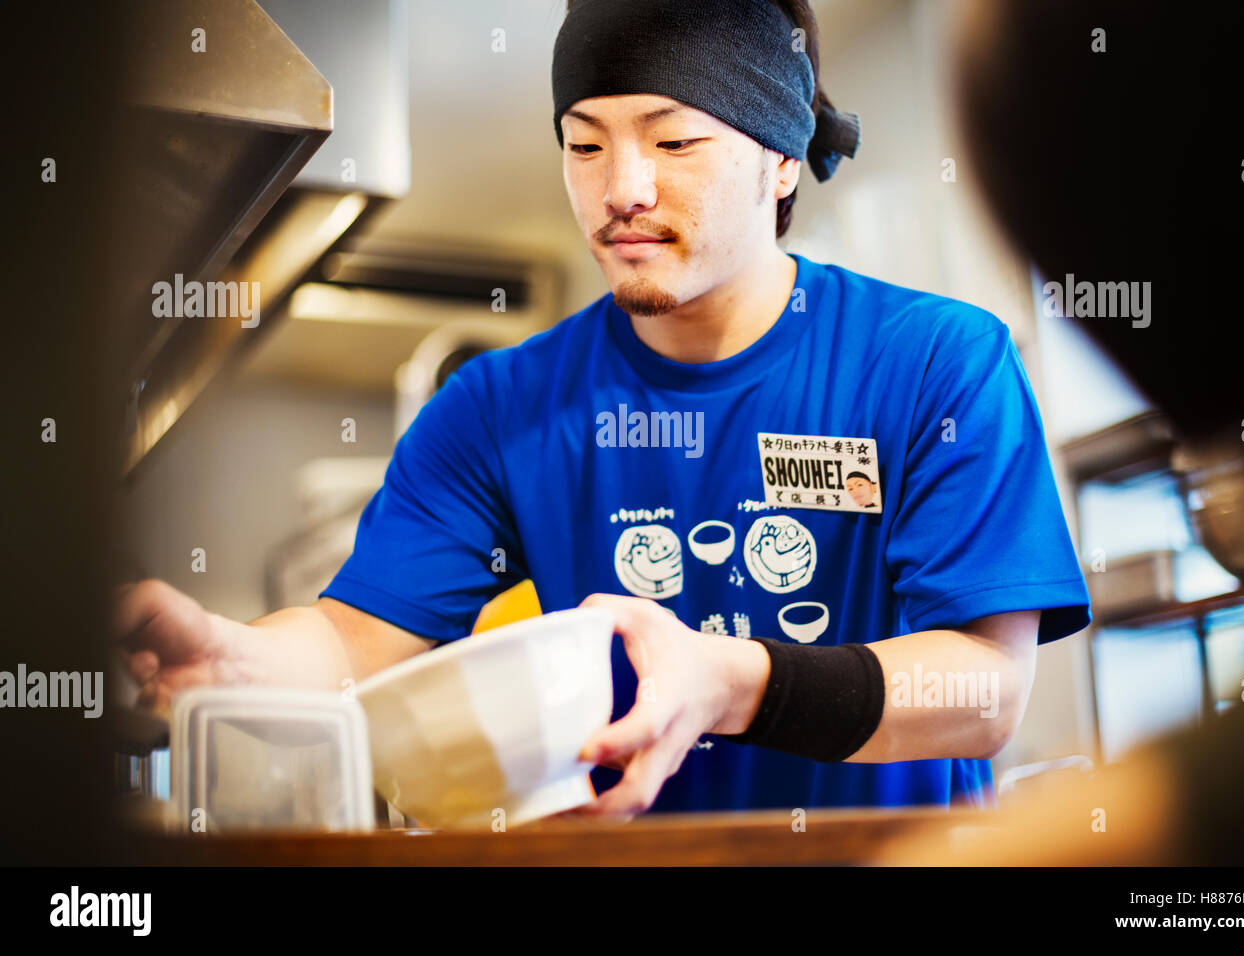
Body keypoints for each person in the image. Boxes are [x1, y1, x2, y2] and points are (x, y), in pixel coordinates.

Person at [114, 0, 1090, 821]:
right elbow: (349, 643)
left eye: (673, 139)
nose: (621, 189)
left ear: (781, 158)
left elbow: (982, 689)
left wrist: (729, 682)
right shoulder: (498, 409)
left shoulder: (933, 362)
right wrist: (233, 657)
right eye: (584, 143)